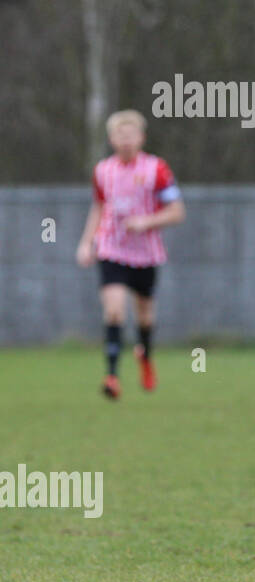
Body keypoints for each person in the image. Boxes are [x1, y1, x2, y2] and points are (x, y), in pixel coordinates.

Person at [75, 109, 186, 399]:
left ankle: (145, 355)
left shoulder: (156, 169)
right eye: (119, 135)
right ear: (111, 139)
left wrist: (146, 222)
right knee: (113, 310)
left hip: (146, 254)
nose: (125, 141)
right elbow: (98, 207)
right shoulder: (102, 171)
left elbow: (176, 212)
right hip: (111, 249)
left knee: (145, 318)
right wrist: (87, 242)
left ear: (141, 138)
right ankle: (111, 376)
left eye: (130, 135)